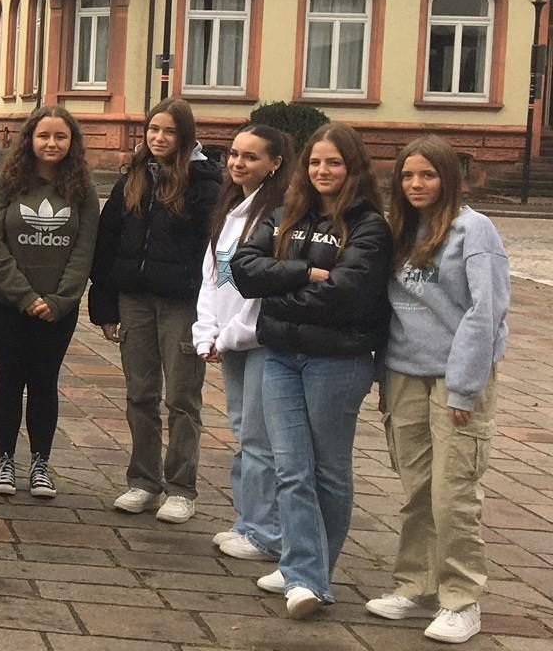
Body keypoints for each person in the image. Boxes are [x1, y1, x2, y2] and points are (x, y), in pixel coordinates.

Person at [233, 123, 392, 619]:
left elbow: (347, 294)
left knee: (326, 470)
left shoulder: (369, 226)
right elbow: (243, 270)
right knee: (291, 466)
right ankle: (303, 572)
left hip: (337, 361)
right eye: (316, 162)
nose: (323, 171)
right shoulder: (285, 214)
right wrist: (306, 272)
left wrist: (280, 293)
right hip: (279, 355)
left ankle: (310, 571)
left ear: (354, 168)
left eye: (335, 163)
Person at [369, 136, 510, 644]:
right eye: (408, 176)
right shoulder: (401, 229)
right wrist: (383, 374)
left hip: (456, 380)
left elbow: (484, 311)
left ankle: (461, 598)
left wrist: (464, 389)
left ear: (448, 177)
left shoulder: (475, 231)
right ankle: (416, 586)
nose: (416, 184)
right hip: (405, 373)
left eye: (426, 175)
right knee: (417, 491)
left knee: (454, 493)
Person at [90, 98, 221, 521]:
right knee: (140, 394)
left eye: (168, 132)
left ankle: (181, 487)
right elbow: (108, 238)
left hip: (182, 304)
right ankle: (142, 481)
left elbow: (214, 251)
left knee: (183, 397)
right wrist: (105, 304)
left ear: (185, 137)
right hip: (135, 300)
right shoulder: (133, 176)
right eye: (153, 130)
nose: (159, 138)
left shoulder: (204, 181)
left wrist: (210, 311)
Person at [0, 106, 99, 500]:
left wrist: (60, 300)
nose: (51, 143)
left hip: (56, 310)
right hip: (4, 304)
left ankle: (41, 463)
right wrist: (25, 297)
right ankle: (5, 461)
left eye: (60, 137)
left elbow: (84, 250)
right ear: (29, 139)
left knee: (44, 383)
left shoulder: (82, 189)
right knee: (9, 380)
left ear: (71, 143)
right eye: (43, 135)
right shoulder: (7, 185)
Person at [195, 125, 292, 562]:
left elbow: (264, 287)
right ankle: (247, 519)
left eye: (250, 157)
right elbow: (213, 276)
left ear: (275, 163)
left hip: (257, 339)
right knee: (242, 429)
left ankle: (264, 532)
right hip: (228, 338)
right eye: (234, 154)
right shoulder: (230, 206)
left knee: (259, 437)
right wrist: (207, 329)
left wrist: (231, 333)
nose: (237, 163)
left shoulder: (279, 214)